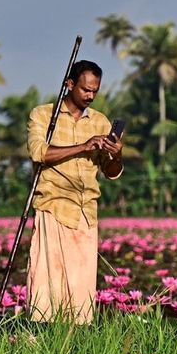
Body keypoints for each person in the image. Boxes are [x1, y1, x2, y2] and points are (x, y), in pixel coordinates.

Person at [25, 60, 122, 324]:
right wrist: (83, 146)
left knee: (81, 292)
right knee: (47, 284)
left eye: (95, 91)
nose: (90, 96)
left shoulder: (100, 122)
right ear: (70, 85)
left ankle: (76, 339)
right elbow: (39, 153)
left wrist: (117, 153)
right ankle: (41, 335)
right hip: (53, 208)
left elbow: (112, 172)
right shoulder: (44, 115)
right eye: (85, 90)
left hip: (85, 213)